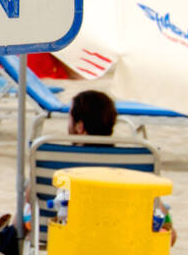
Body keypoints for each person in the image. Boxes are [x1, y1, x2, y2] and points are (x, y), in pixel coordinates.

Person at [65, 90, 177, 246]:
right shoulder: (133, 163)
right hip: (123, 242)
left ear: (79, 127)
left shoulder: (56, 159)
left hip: (68, 238)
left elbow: (32, 197)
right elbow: (169, 235)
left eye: (69, 118)